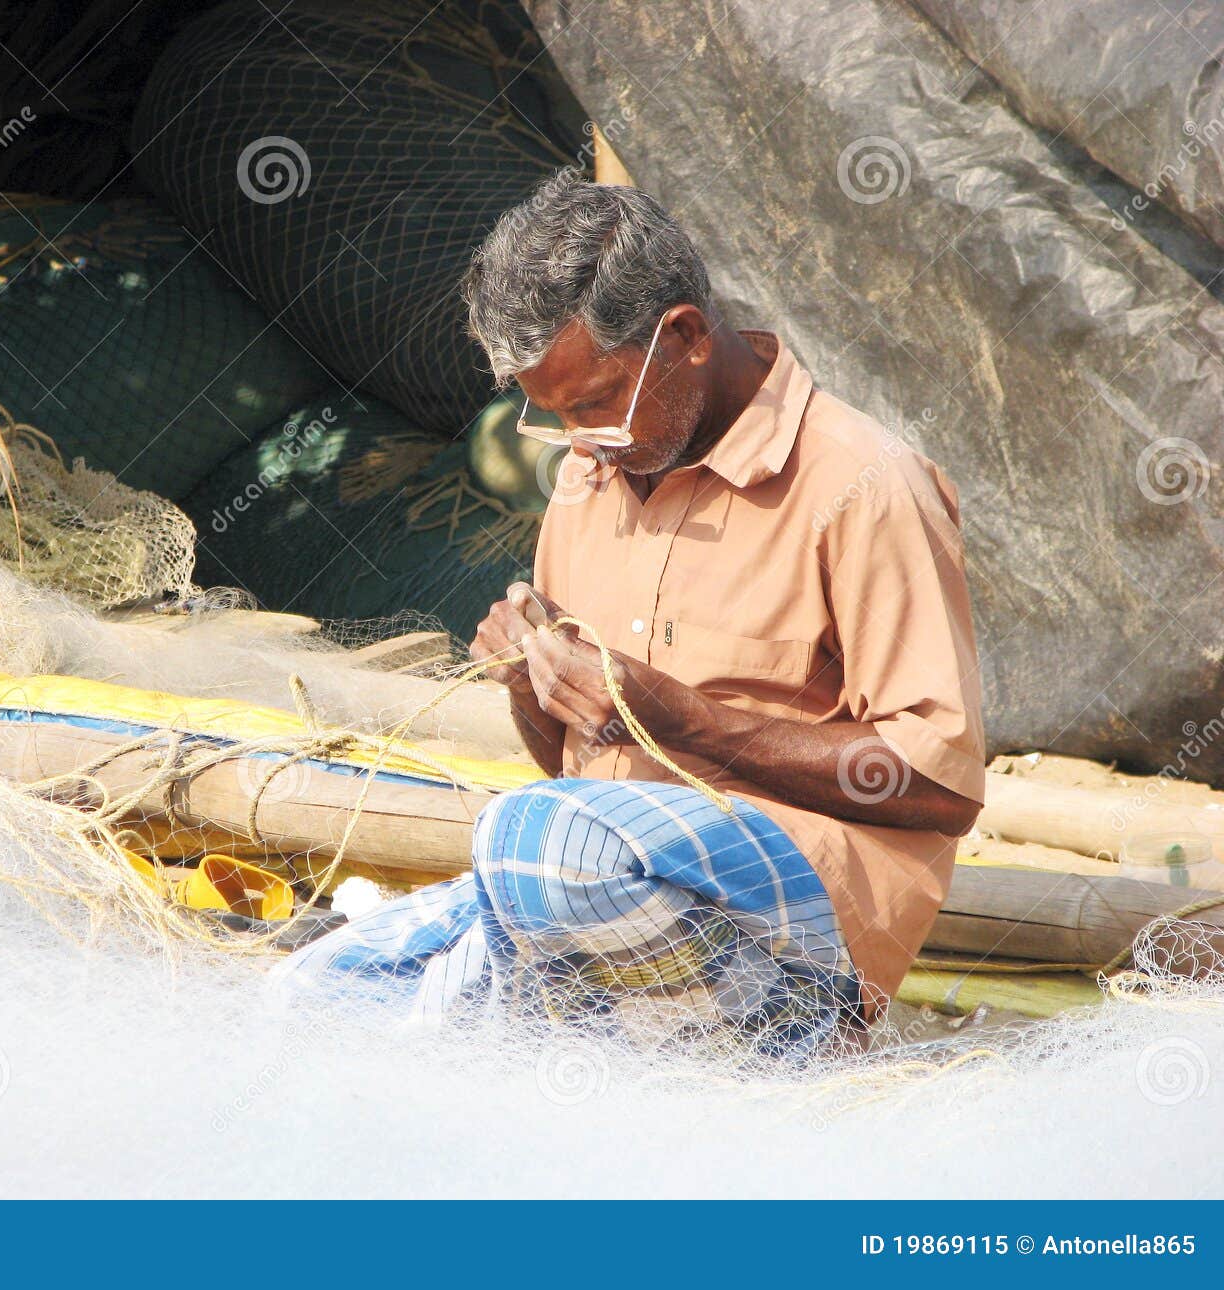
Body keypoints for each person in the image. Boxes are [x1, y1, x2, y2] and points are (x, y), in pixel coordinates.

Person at [275, 173, 985, 1057]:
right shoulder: (592, 477)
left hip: (792, 935)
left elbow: (942, 787)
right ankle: (588, 1030)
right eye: (556, 416)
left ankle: (770, 1038)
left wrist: (686, 721)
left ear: (683, 336)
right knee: (306, 995)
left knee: (532, 840)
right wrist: (530, 684)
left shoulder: (864, 485)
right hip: (594, 889)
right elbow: (576, 768)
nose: (581, 442)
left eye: (596, 402)